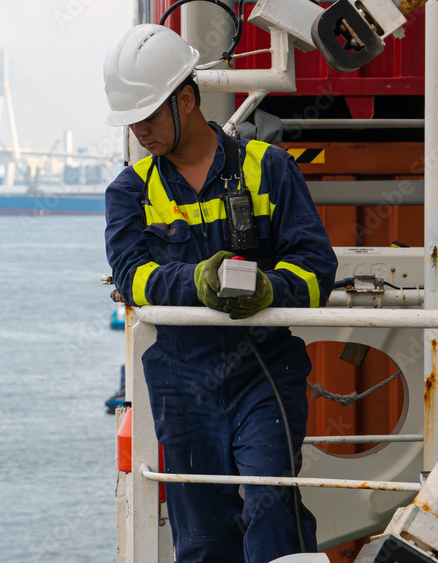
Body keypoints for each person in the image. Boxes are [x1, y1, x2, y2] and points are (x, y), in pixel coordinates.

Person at [102, 24, 338, 563]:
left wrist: (268, 289)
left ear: (186, 99)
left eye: (148, 114)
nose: (139, 130)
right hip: (181, 383)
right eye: (131, 119)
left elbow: (316, 270)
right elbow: (131, 278)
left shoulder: (269, 168)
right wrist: (198, 282)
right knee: (204, 539)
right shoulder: (129, 192)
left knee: (273, 510)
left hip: (264, 370)